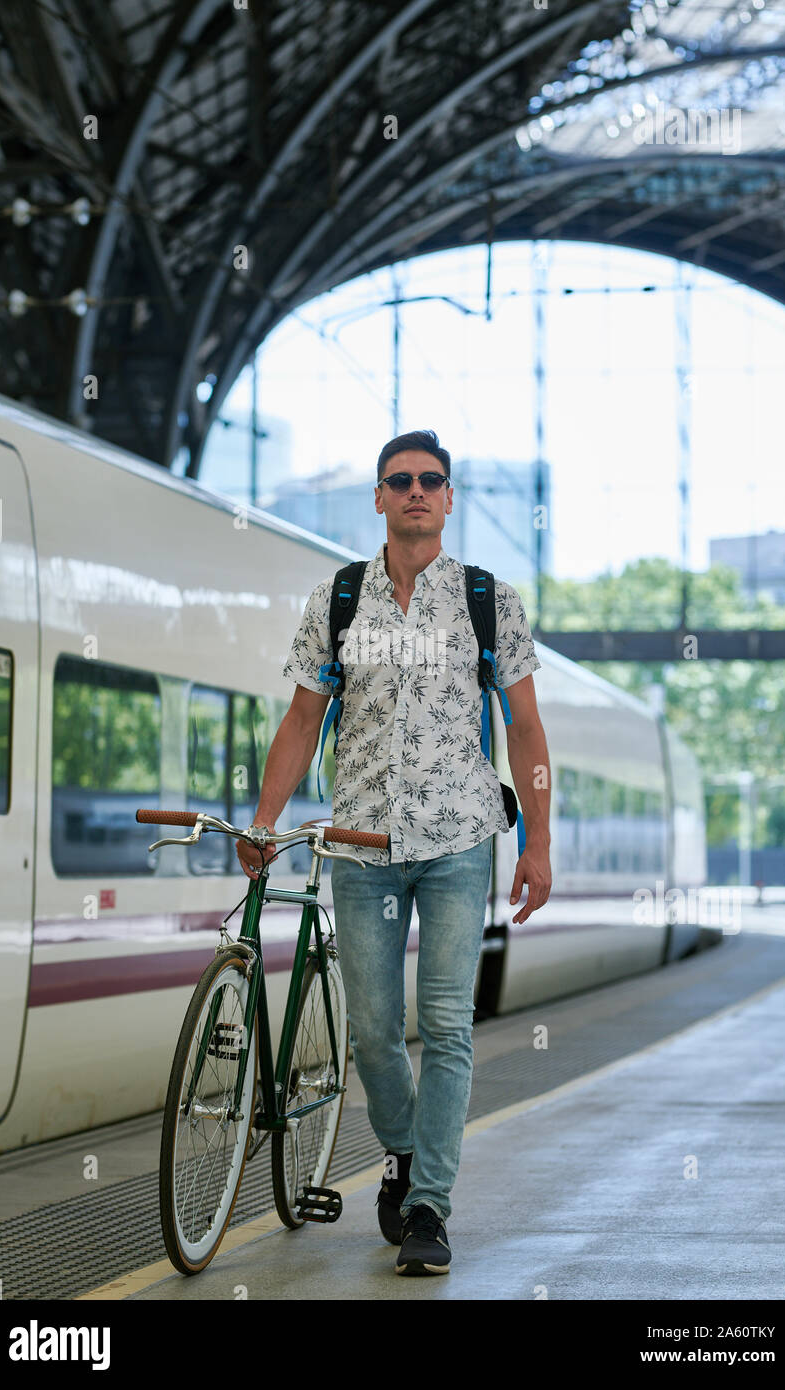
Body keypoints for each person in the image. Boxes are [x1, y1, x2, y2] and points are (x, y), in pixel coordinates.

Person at [237, 428, 552, 1276]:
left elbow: (524, 728)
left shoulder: (490, 601)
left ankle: (427, 1208)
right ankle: (405, 1150)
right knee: (375, 1031)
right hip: (362, 848)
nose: (416, 491)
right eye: (400, 480)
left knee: (447, 1026)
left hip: (459, 845)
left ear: (449, 499)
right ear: (379, 498)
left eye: (431, 480)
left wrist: (538, 843)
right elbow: (303, 720)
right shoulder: (338, 599)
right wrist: (264, 824)